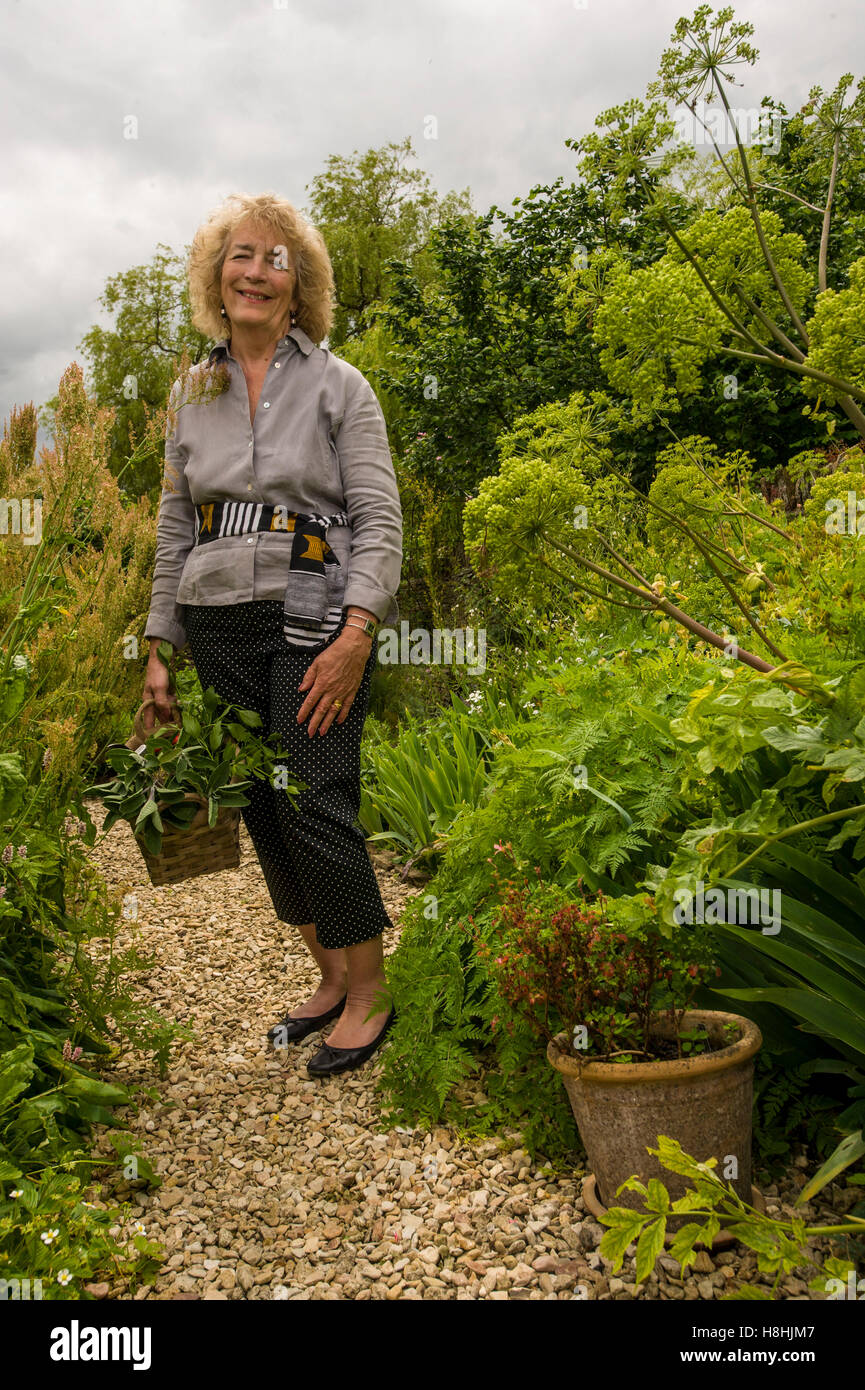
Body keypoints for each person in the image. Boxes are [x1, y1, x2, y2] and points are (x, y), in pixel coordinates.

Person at [142, 192, 403, 1077]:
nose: (256, 272)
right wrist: (158, 646)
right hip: (215, 624)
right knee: (260, 805)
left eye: (275, 260)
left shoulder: (339, 385)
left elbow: (377, 516)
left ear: (301, 284)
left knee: (315, 798)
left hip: (313, 620)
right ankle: (326, 977)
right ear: (218, 275)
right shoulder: (191, 391)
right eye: (241, 256)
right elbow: (176, 526)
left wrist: (358, 629)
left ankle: (370, 992)